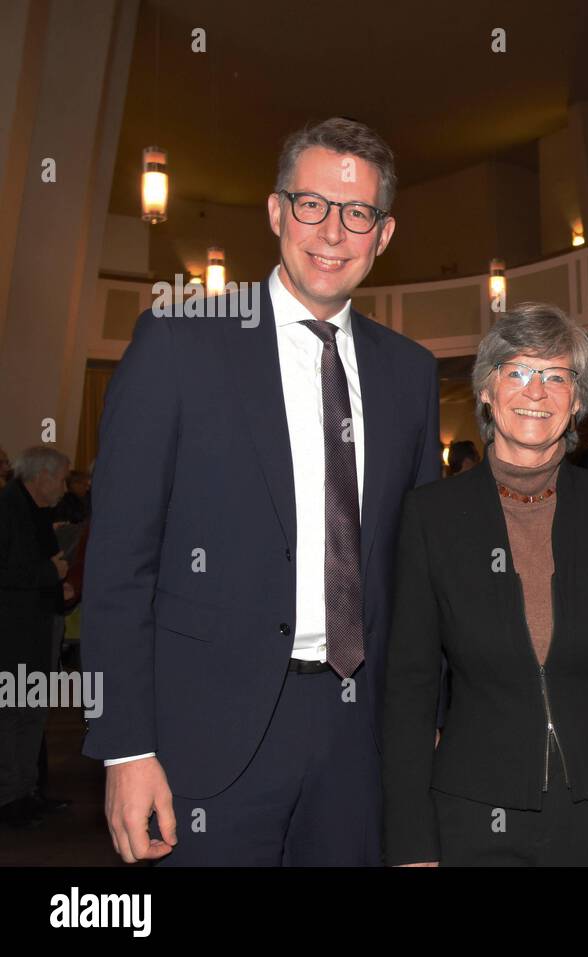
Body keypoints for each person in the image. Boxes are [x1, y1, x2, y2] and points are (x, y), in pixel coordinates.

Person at [81, 117, 440, 865]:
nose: (332, 232)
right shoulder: (179, 342)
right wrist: (124, 746)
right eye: (312, 205)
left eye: (357, 213)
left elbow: (416, 569)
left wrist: (422, 717)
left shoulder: (409, 373)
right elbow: (118, 566)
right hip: (202, 742)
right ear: (277, 212)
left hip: (357, 740)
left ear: (384, 233)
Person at [383, 303, 588, 866]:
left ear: (577, 402)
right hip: (476, 808)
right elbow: (409, 686)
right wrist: (410, 840)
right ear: (486, 389)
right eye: (518, 371)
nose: (537, 391)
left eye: (556, 376)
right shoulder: (432, 516)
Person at [0, 447, 69, 828]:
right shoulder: (8, 508)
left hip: (35, 629)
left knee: (32, 715)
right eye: (60, 478)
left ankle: (27, 792)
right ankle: (10, 798)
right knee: (13, 717)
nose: (63, 487)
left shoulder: (33, 510)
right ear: (40, 476)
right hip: (12, 636)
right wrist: (49, 574)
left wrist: (59, 587)